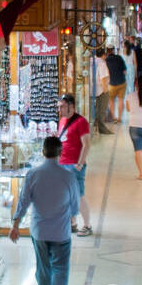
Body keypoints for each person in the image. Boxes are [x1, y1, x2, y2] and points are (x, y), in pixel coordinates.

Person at [9, 135, 81, 285]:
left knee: (43, 266)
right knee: (60, 268)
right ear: (60, 152)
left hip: (39, 231)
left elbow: (23, 201)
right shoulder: (68, 176)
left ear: (43, 152)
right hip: (61, 232)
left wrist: (15, 225)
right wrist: (71, 218)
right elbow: (74, 207)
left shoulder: (33, 174)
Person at [57, 92, 93, 236]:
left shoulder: (81, 122)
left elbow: (87, 144)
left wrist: (80, 163)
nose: (59, 110)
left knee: (78, 195)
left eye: (62, 107)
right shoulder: (62, 121)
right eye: (58, 107)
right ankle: (72, 222)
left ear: (71, 106)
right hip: (62, 164)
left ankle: (87, 225)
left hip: (74, 165)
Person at [89, 48, 112, 135]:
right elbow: (103, 78)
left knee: (93, 109)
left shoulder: (90, 60)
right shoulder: (102, 63)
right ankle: (101, 128)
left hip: (90, 89)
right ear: (103, 55)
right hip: (100, 90)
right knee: (102, 109)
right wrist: (106, 91)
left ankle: (94, 125)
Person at [105, 45, 128, 123]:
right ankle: (119, 118)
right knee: (121, 100)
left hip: (112, 84)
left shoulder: (106, 60)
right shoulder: (119, 58)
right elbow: (125, 71)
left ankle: (114, 118)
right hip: (122, 82)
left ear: (107, 51)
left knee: (111, 101)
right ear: (113, 50)